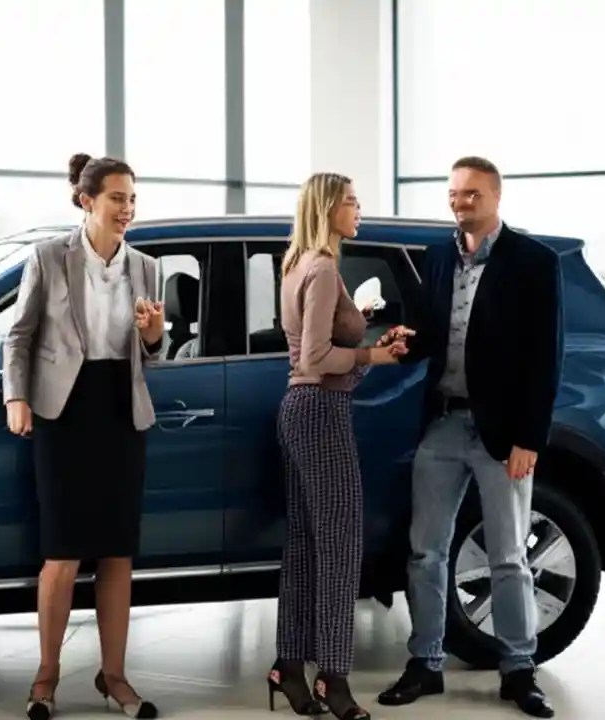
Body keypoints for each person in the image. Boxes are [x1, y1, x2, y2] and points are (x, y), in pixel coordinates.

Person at [376, 156, 563, 718]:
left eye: (472, 194)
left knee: (507, 556)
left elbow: (543, 357)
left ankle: (518, 670)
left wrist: (530, 437)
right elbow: (432, 329)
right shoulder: (437, 257)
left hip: (502, 433)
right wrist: (405, 333)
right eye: (455, 193)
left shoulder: (532, 261)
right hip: (442, 423)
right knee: (425, 552)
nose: (461, 203)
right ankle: (425, 663)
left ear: (496, 197)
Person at [2, 153, 166, 720]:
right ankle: (45, 678)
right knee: (62, 554)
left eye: (132, 199)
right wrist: (16, 396)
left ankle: (113, 676)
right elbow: (18, 337)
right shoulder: (49, 258)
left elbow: (152, 353)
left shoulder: (146, 266)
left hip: (121, 410)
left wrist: (154, 335)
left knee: (119, 552)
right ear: (87, 200)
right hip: (63, 413)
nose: (128, 209)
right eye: (118, 198)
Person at [266, 172, 412, 720]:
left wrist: (364, 335)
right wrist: (374, 355)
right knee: (341, 548)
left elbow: (310, 346)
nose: (359, 210)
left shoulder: (296, 263)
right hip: (321, 411)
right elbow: (314, 359)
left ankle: (289, 666)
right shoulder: (324, 268)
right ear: (328, 209)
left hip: (297, 412)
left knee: (305, 547)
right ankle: (333, 676)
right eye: (351, 201)